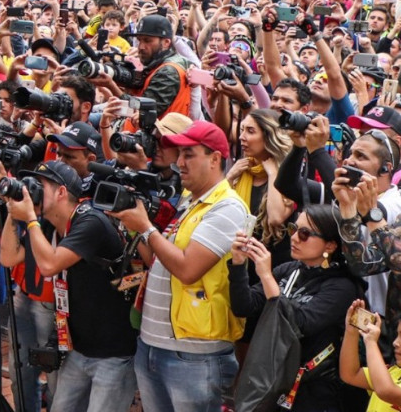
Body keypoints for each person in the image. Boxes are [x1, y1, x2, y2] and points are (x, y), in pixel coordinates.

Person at [109, 120, 248, 412]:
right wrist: (131, 225)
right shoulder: (189, 201)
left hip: (195, 355)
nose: (179, 163)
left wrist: (146, 228)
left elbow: (187, 270)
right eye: (179, 154)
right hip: (153, 344)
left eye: (189, 155)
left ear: (215, 159)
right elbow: (157, 262)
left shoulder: (228, 207)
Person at [5, 161, 139, 412]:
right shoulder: (47, 224)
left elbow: (49, 266)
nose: (30, 191)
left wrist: (31, 218)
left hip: (113, 353)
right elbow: (8, 256)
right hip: (78, 348)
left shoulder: (91, 221)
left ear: (61, 192)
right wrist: (13, 214)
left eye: (38, 186)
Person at [228, 204, 365, 412]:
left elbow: (299, 324)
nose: (293, 238)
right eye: (293, 229)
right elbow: (243, 307)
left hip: (315, 389)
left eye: (304, 234)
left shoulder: (342, 286)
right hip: (276, 378)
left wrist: (266, 276)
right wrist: (238, 265)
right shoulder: (289, 270)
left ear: (330, 246)